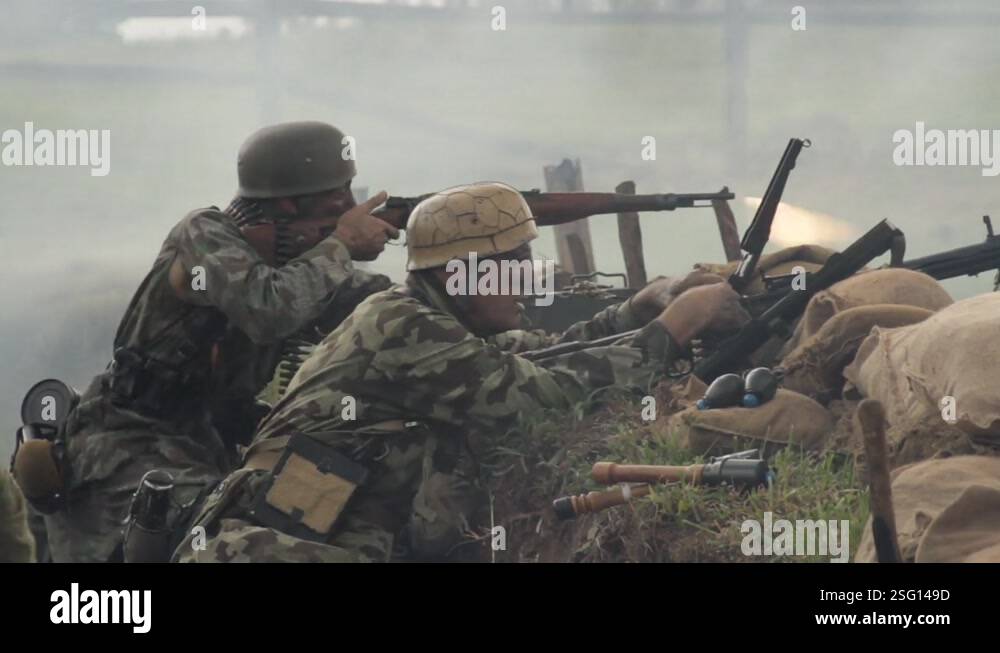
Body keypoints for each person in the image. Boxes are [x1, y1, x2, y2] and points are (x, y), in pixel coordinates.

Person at [176, 182, 748, 563]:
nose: (531, 277)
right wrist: (675, 327)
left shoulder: (434, 325)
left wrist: (638, 309)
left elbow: (546, 353)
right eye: (515, 264)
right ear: (461, 275)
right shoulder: (399, 325)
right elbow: (536, 392)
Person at [39, 121, 398, 562]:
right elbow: (268, 308)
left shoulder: (299, 269)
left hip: (204, 447)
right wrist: (341, 246)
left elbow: (377, 307)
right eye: (337, 193)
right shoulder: (204, 235)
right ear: (289, 200)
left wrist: (440, 272)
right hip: (128, 447)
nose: (349, 205)